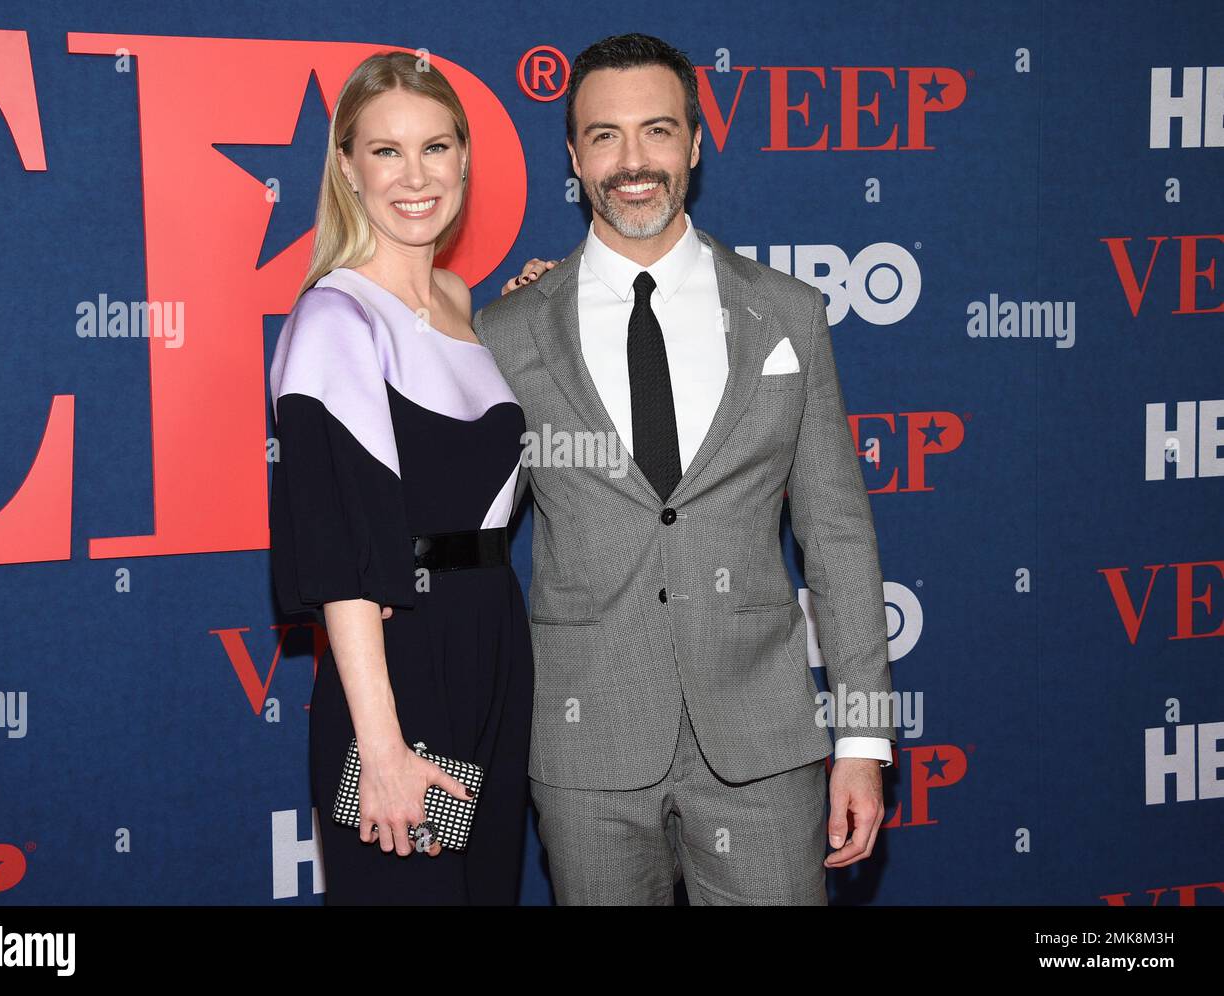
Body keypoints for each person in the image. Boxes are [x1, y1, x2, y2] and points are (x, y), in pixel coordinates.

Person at [476, 33, 896, 905]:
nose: (634, 162)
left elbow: (838, 534)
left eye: (658, 131)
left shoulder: (788, 311)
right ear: (574, 155)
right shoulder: (508, 332)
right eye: (605, 136)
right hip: (583, 746)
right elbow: (464, 539)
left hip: (765, 743)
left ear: (696, 145)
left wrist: (863, 740)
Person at [268, 51, 532, 905]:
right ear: (346, 167)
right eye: (386, 151)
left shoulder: (461, 300)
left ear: (464, 157)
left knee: (483, 890)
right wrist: (381, 748)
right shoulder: (333, 317)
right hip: (400, 659)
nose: (416, 177)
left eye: (437, 147)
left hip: (495, 642)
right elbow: (339, 553)